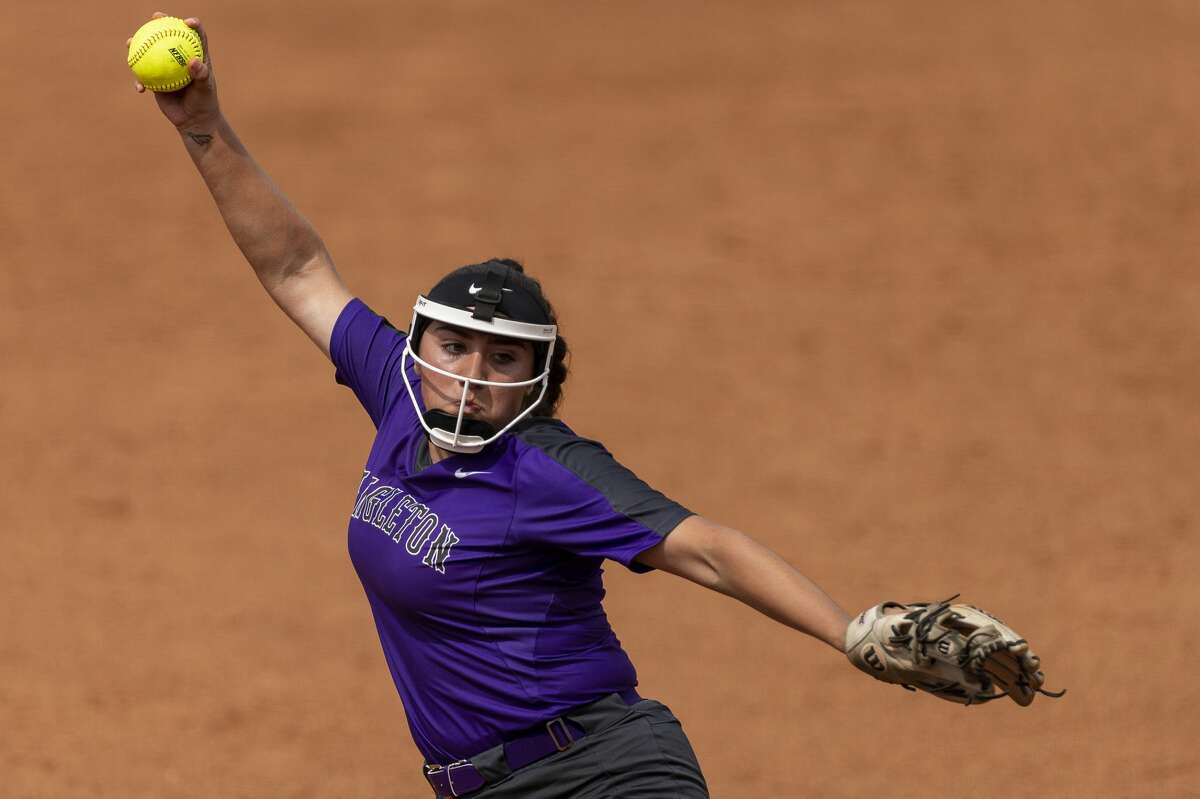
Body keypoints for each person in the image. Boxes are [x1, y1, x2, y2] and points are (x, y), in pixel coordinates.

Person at [132, 15, 854, 798]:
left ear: (535, 379)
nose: (471, 374)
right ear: (420, 348)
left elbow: (706, 547)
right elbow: (297, 266)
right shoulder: (401, 392)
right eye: (454, 347)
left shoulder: (545, 465)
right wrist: (203, 129)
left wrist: (852, 633)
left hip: (601, 772)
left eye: (502, 357)